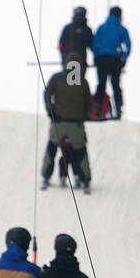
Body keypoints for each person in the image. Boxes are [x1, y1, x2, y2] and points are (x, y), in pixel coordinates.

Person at [41, 53, 94, 192]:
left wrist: (50, 112)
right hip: (76, 124)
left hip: (58, 121)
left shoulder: (57, 78)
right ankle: (85, 180)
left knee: (51, 148)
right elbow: (89, 102)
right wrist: (83, 115)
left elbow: (47, 94)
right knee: (80, 152)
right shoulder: (82, 81)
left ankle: (45, 176)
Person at [92, 5, 131, 119]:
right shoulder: (122, 29)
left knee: (101, 84)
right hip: (115, 60)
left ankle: (98, 109)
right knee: (115, 85)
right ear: (119, 15)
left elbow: (94, 44)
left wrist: (96, 56)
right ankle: (118, 110)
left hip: (102, 59)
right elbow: (128, 46)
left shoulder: (101, 28)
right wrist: (123, 58)